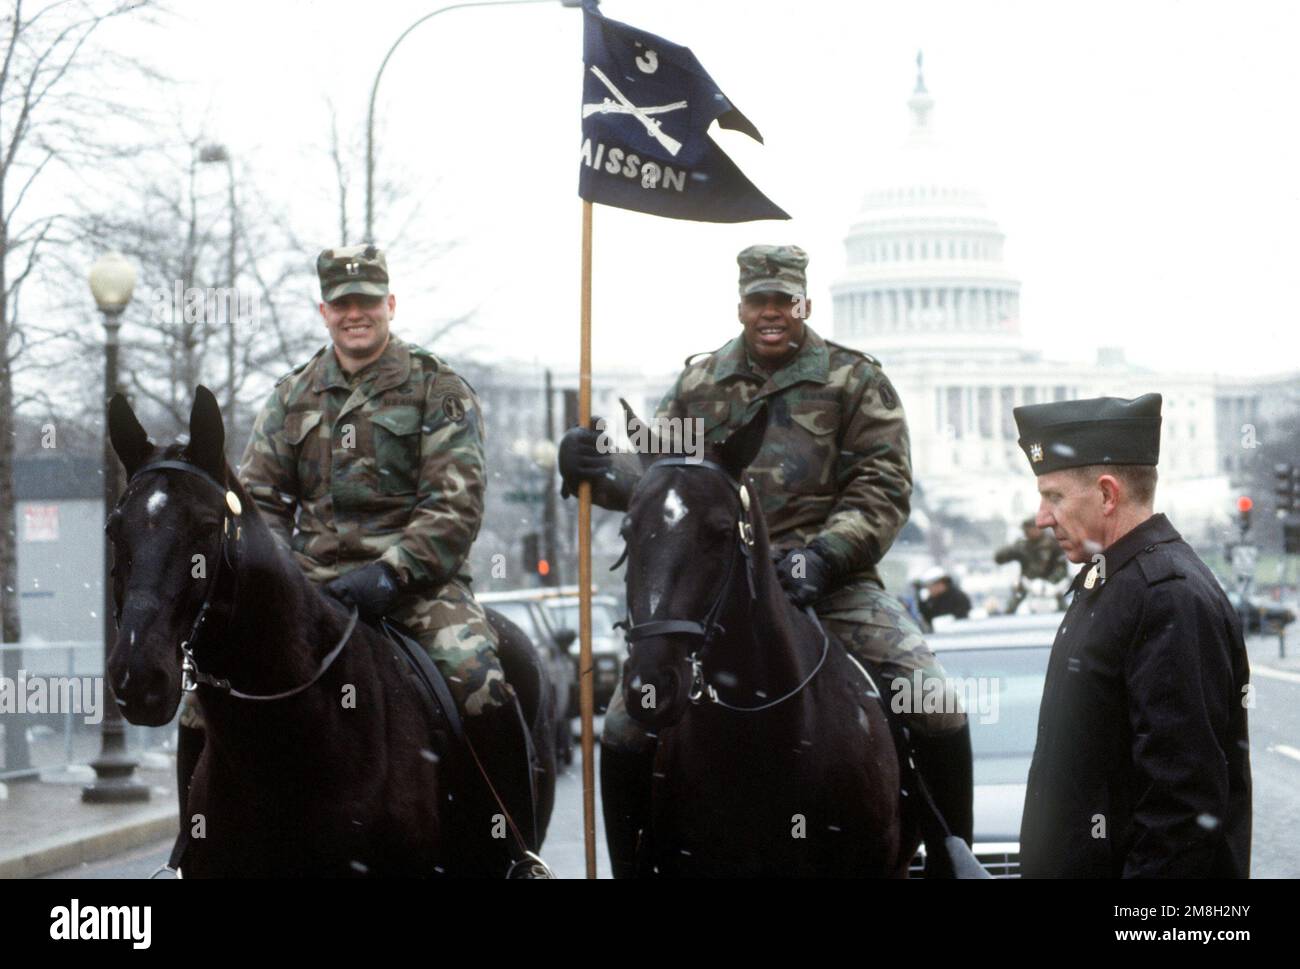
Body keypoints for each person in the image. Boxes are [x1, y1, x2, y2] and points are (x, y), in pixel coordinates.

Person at [559, 244, 975, 876]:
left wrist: (824, 556)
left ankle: (952, 858)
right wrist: (591, 469)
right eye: (760, 301)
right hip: (721, 588)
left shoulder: (853, 380)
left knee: (933, 699)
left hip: (828, 583)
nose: (771, 313)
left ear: (803, 302)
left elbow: (882, 488)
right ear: (742, 305)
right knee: (624, 724)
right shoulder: (701, 383)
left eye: (784, 300)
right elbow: (663, 486)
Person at [178, 244, 543, 874]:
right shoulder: (291, 396)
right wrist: (277, 583)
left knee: (481, 683)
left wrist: (392, 570)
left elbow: (456, 504)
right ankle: (193, 848)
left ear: (390, 305)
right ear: (323, 310)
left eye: (367, 303)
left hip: (421, 588)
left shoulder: (438, 387)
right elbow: (255, 507)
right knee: (200, 701)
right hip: (311, 587)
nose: (356, 314)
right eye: (343, 304)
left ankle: (511, 851)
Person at [1013, 393, 1251, 877]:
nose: (1041, 518)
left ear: (1106, 494)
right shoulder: (1119, 584)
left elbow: (1181, 809)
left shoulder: (1165, 596)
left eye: (1053, 496)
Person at [995, 515, 1068, 613]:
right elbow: (1000, 558)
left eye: (1028, 529)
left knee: (1063, 606)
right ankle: (1006, 620)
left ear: (1037, 528)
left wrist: (1052, 582)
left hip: (1051, 584)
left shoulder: (1053, 543)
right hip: (1027, 583)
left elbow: (1062, 566)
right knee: (1013, 602)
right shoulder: (1023, 545)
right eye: (1025, 530)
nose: (1026, 532)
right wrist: (1010, 549)